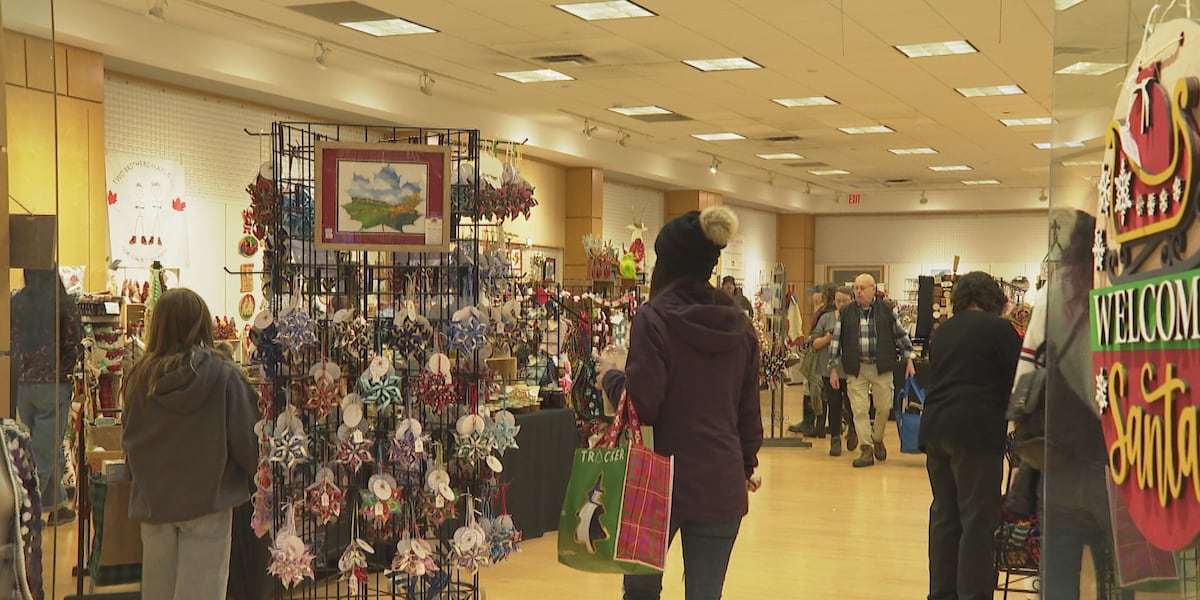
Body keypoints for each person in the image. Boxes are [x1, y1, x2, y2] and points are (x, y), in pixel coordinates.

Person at [599, 206, 763, 600]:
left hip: (655, 482)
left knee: (640, 593)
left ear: (667, 263)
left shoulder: (653, 319)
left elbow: (642, 406)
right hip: (720, 481)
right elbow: (748, 416)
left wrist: (611, 377)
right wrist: (744, 467)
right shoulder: (740, 326)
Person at [122, 288, 260, 600]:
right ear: (203, 324)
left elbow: (129, 441)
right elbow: (250, 439)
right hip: (207, 503)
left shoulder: (139, 379)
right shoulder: (224, 376)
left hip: (155, 505)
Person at [919, 271, 1020, 600]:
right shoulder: (1000, 330)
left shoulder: (943, 332)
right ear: (994, 299)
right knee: (977, 519)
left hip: (936, 428)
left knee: (945, 516)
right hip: (976, 431)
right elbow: (1018, 380)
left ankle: (941, 593)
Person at [11, 269, 83, 526]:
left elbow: (11, 339)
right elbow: (73, 342)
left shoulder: (17, 302)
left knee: (39, 447)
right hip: (52, 385)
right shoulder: (64, 304)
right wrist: (65, 369)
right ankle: (24, 514)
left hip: (22, 384)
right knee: (42, 455)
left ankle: (57, 504)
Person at [829, 273, 917, 468]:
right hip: (856, 368)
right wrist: (833, 368)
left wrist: (909, 358)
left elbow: (900, 335)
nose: (858, 292)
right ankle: (866, 449)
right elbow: (836, 340)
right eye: (856, 288)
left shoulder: (887, 310)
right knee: (859, 410)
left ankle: (877, 438)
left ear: (873, 290)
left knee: (884, 407)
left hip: (881, 366)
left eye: (862, 288)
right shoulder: (846, 312)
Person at [810, 286, 854, 456]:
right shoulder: (826, 318)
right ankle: (835, 438)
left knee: (852, 404)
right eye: (838, 301)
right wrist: (828, 338)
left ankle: (853, 430)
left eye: (845, 301)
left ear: (851, 301)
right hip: (829, 370)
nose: (841, 304)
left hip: (850, 369)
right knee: (834, 404)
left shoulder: (856, 318)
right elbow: (814, 343)